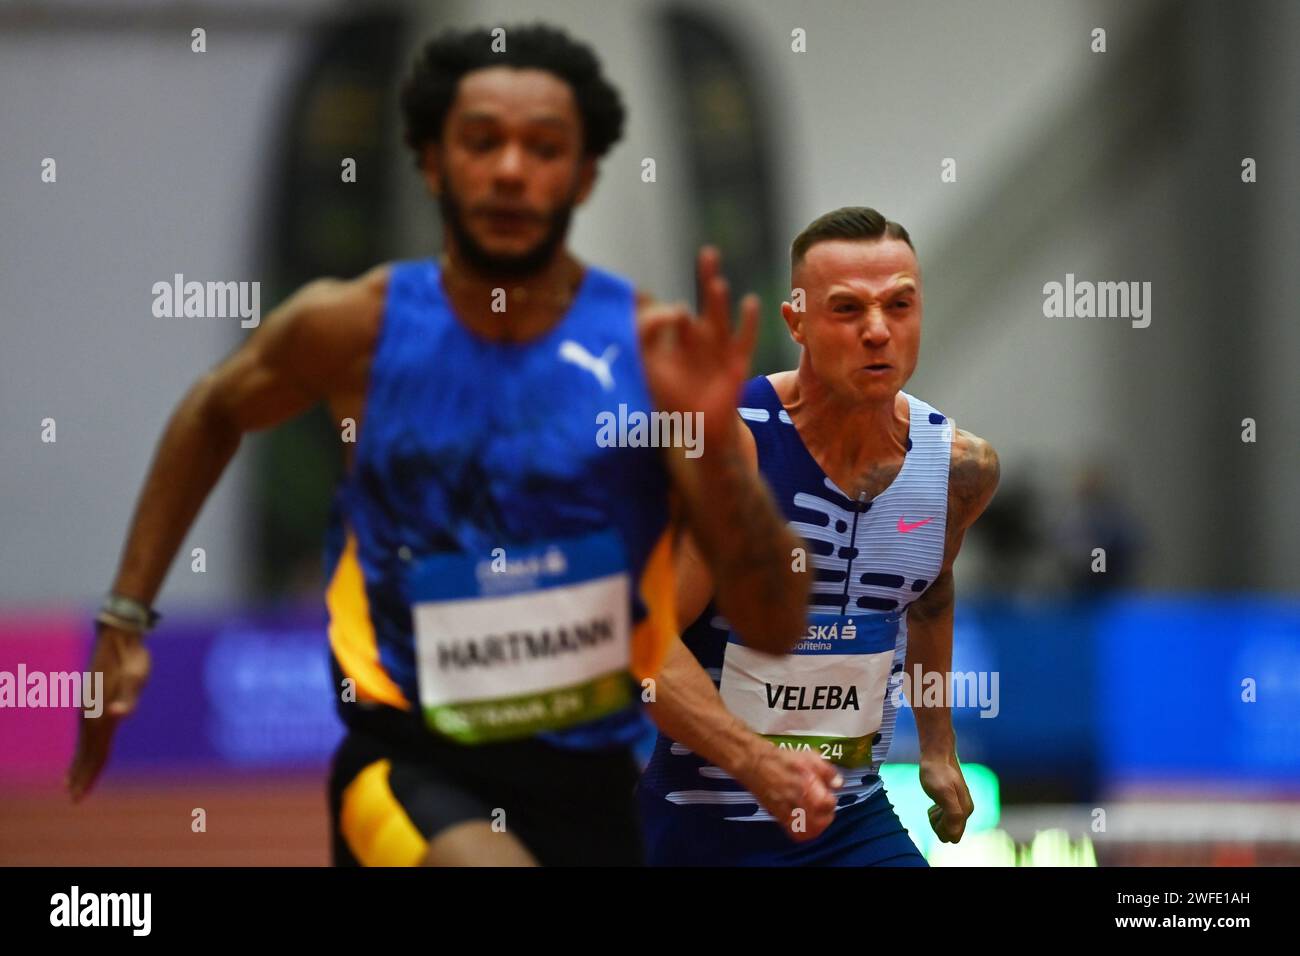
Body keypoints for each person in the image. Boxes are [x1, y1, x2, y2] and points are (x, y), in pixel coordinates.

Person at [66, 24, 811, 867]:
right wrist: (125, 617)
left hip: (591, 783)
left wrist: (713, 445)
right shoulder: (355, 329)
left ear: (585, 174)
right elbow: (212, 412)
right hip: (409, 766)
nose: (508, 170)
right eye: (481, 141)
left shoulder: (652, 359)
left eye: (543, 147)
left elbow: (772, 623)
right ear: (431, 162)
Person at [639, 206, 1001, 865]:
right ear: (796, 322)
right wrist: (756, 760)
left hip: (849, 821)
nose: (877, 331)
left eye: (900, 305)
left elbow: (928, 595)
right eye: (847, 309)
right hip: (695, 827)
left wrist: (939, 748)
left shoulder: (960, 469)